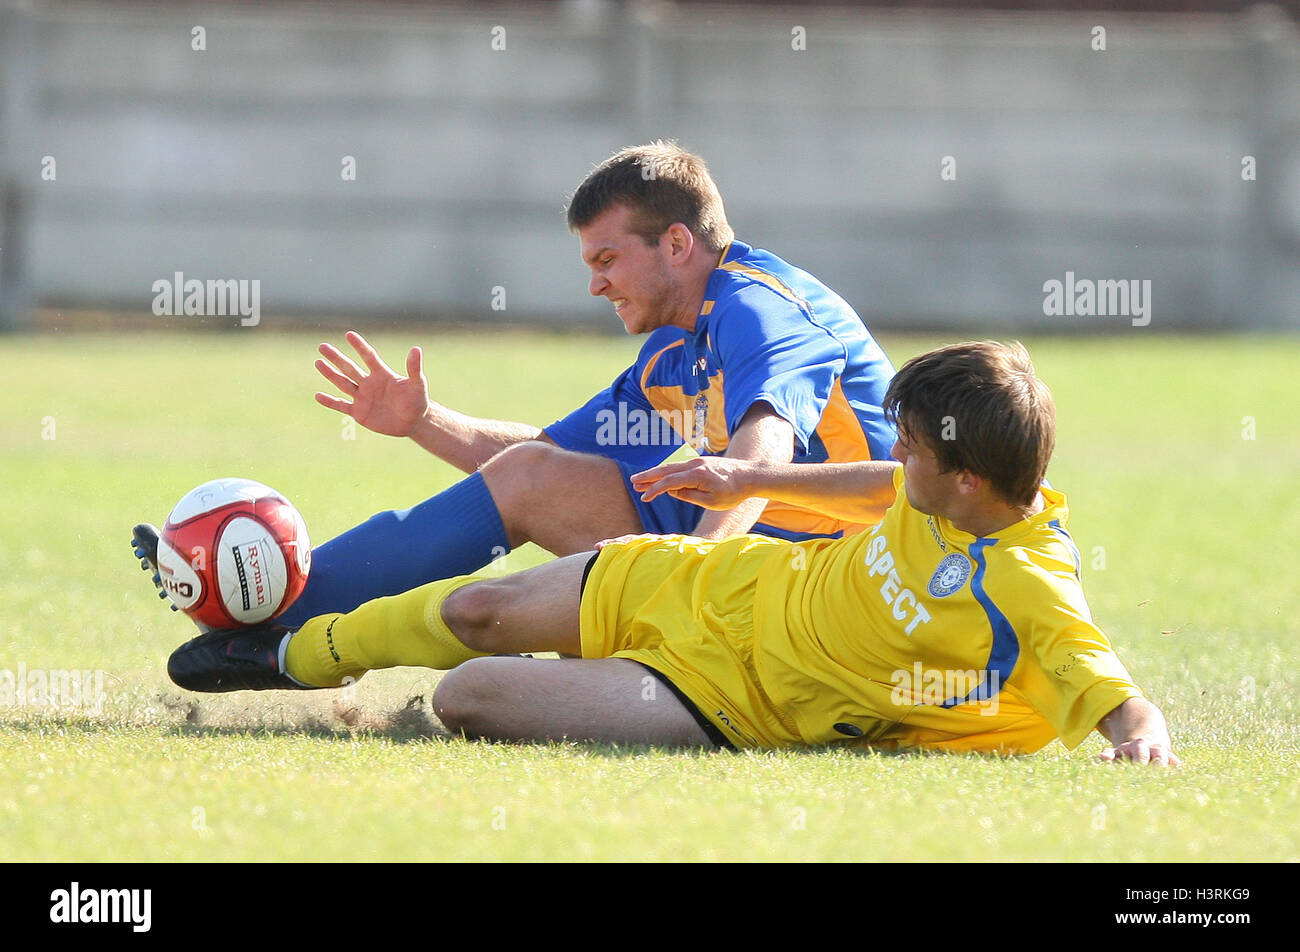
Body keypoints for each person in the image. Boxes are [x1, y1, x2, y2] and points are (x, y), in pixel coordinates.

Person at [165, 340, 1179, 765]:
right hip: (719, 577)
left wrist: (1139, 737)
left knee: (470, 693)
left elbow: (1102, 678)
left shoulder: (1029, 578)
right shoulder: (949, 487)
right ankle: (286, 658)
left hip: (725, 699)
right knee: (479, 607)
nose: (892, 454)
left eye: (908, 444)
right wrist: (750, 484)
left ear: (964, 478)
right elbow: (878, 486)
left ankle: (556, 686)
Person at [133, 141, 897, 628]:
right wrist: (427, 422)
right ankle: (276, 614)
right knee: (533, 479)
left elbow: (760, 456)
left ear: (675, 243)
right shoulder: (671, 342)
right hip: (758, 552)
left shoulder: (760, 309)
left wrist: (690, 583)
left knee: (501, 645)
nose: (595, 285)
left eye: (606, 260)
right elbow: (547, 459)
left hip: (853, 574)